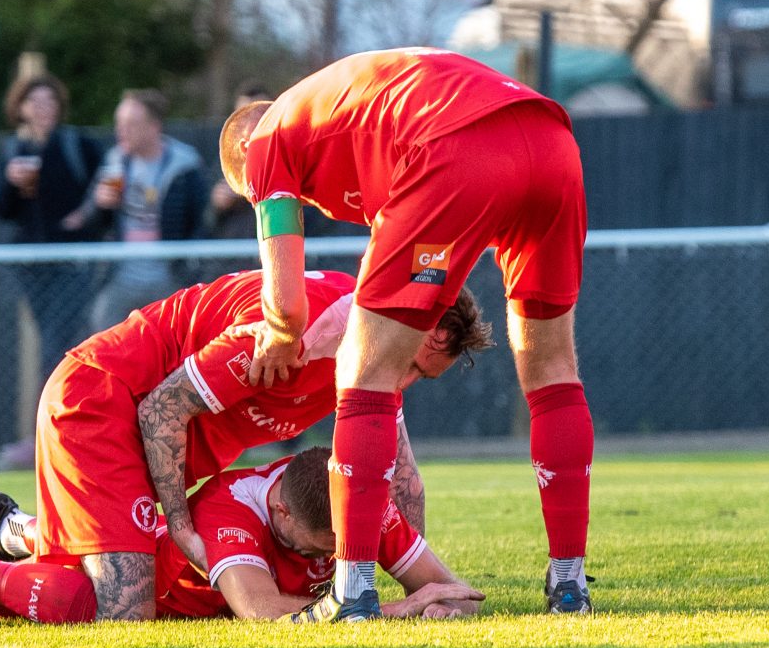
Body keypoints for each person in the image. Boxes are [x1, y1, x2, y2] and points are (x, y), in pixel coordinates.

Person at [217, 46, 594, 618]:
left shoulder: (267, 141)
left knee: (363, 371)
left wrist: (276, 334)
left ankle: (353, 587)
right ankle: (569, 581)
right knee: (552, 369)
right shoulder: (345, 125)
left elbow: (287, 304)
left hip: (455, 143)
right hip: (551, 140)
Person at [0, 269, 488, 623]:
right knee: (122, 611)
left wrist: (419, 592)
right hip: (105, 401)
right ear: (401, 325)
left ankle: (15, 532)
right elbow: (161, 408)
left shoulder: (377, 344)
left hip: (160, 435)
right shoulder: (288, 332)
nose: (407, 381)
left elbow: (404, 479)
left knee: (102, 573)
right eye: (414, 365)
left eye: (424, 375)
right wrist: (182, 525)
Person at [0, 447, 482, 628]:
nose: (334, 561)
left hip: (140, 545)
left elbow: (452, 592)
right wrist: (399, 608)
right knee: (66, 598)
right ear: (285, 518)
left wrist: (437, 599)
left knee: (33, 583)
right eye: (319, 550)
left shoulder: (354, 499)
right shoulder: (231, 517)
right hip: (140, 563)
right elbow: (269, 616)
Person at [82, 89, 211, 332]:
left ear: (154, 127)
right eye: (119, 123)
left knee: (173, 344)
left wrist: (191, 267)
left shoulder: (185, 165)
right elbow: (93, 220)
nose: (121, 130)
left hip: (170, 278)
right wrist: (99, 204)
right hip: (121, 276)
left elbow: (203, 219)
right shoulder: (115, 161)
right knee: (103, 340)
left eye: (131, 124)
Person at [0, 72, 100, 345]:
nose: (43, 107)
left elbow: (108, 182)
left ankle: (52, 387)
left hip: (72, 260)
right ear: (20, 108)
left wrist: (84, 214)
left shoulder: (78, 145)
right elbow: (3, 211)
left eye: (50, 100)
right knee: (50, 337)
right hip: (31, 263)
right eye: (35, 101)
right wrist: (10, 182)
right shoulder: (12, 150)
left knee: (59, 339)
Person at [205, 84, 277, 241]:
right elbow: (204, 224)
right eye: (243, 115)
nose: (250, 124)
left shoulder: (291, 159)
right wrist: (217, 205)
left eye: (258, 115)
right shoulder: (223, 163)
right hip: (232, 256)